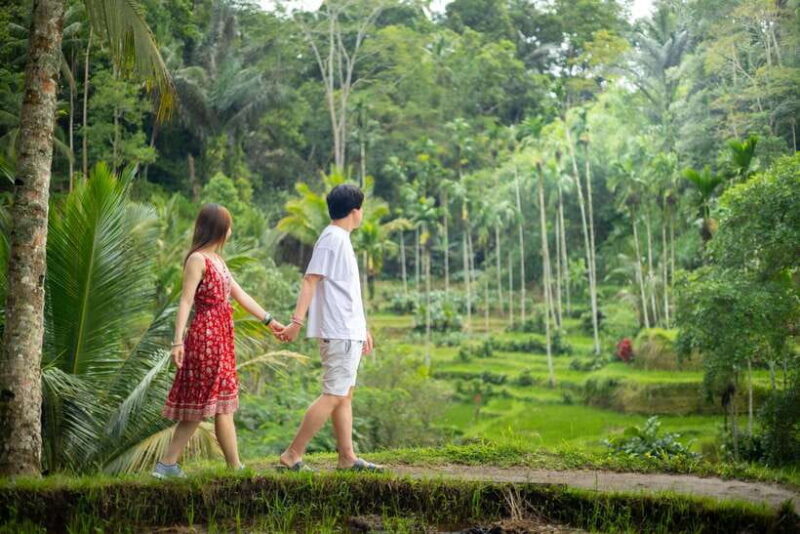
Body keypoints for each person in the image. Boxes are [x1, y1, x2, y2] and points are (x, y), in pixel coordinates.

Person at [152, 203, 284, 479]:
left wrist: (269, 320)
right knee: (215, 403)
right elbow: (186, 301)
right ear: (219, 228)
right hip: (207, 338)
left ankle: (170, 465)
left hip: (221, 337)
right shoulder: (197, 260)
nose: (231, 229)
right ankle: (230, 467)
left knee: (213, 404)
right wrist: (177, 342)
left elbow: (240, 295)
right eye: (228, 225)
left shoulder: (218, 261)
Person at [276, 184, 381, 472]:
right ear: (355, 211)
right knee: (334, 394)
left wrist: (362, 329)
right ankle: (292, 454)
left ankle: (347, 458)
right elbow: (310, 279)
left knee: (344, 394)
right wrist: (296, 322)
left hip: (347, 330)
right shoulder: (333, 238)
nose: (362, 213)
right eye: (361, 208)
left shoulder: (339, 239)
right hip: (339, 331)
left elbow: (347, 292)